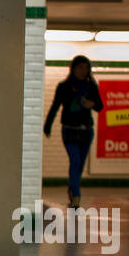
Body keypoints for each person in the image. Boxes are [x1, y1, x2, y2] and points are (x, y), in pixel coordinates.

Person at [44, 55, 103, 209]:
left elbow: (100, 106)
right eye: (80, 68)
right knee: (75, 161)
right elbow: (55, 106)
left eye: (86, 68)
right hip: (69, 130)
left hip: (86, 131)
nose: (83, 71)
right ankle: (76, 196)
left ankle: (72, 188)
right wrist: (47, 125)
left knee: (79, 165)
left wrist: (92, 103)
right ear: (73, 69)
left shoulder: (91, 87)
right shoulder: (64, 87)